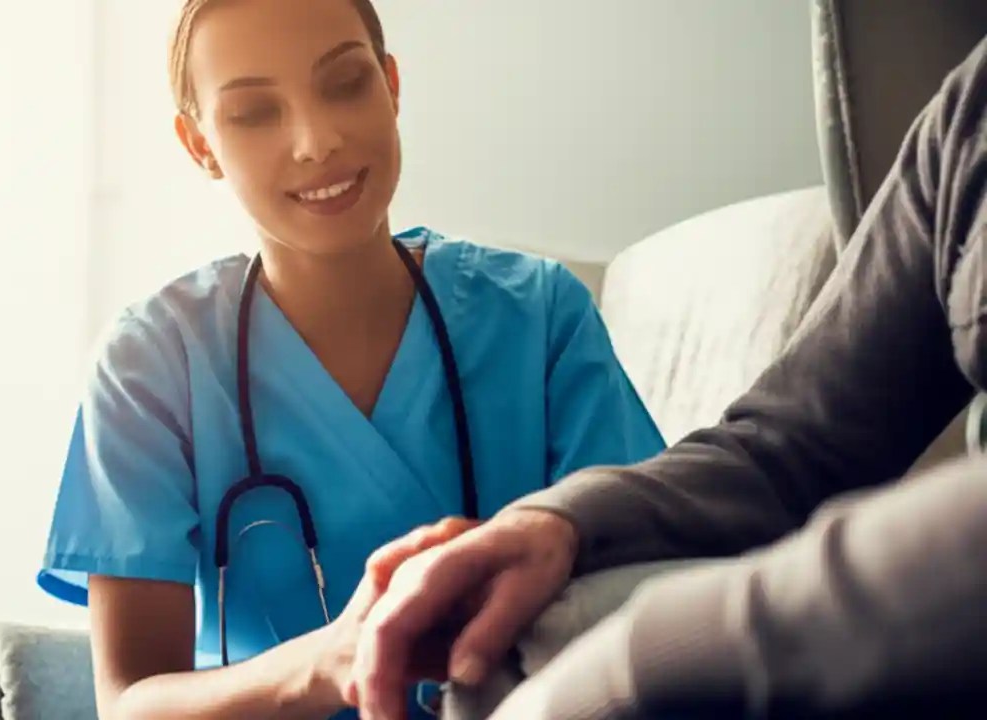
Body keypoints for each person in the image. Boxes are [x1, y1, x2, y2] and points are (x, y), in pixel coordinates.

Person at [35, 0, 665, 718]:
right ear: (200, 145)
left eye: (344, 85)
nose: (316, 141)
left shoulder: (540, 317)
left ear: (391, 86)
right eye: (253, 113)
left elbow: (635, 600)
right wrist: (328, 663)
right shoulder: (149, 366)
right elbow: (131, 704)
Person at [348, 33, 987, 720]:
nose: (311, 142)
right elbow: (790, 440)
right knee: (498, 659)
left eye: (344, 84)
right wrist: (557, 522)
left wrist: (643, 662)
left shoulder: (533, 304)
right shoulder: (967, 119)